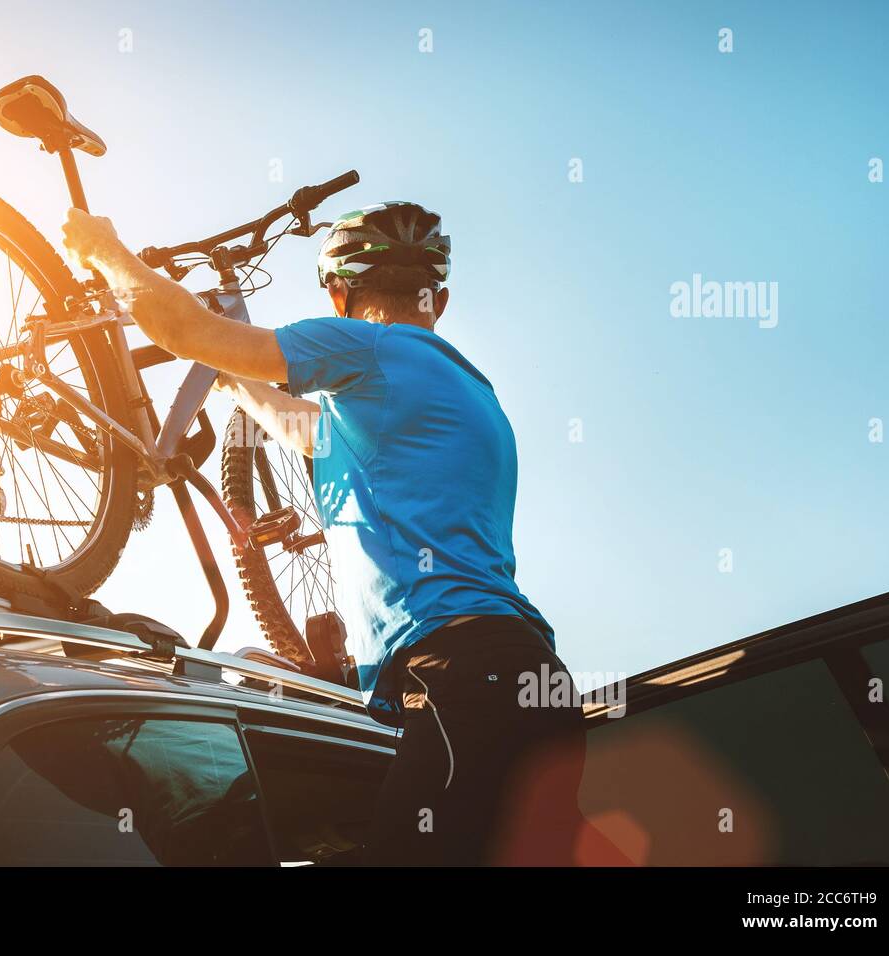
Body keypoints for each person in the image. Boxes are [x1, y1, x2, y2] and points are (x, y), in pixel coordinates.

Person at [61, 201, 585, 865]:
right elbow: (306, 433)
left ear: (339, 295)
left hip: (467, 681)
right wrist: (235, 380)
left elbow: (180, 326)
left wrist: (103, 251)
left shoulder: (370, 346)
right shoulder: (462, 393)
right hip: (525, 685)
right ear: (439, 299)